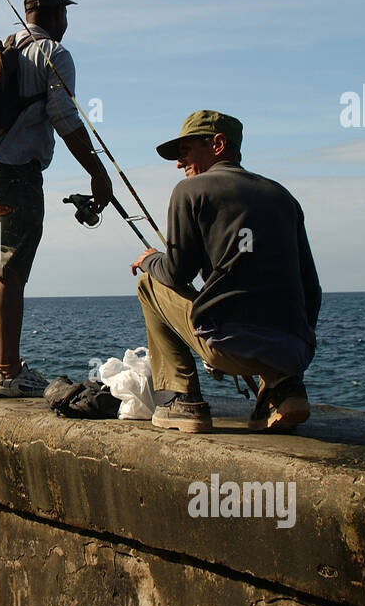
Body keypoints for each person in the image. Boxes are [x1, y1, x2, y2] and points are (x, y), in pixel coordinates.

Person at [0, 0, 114, 397]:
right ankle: (9, 374)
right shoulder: (54, 54)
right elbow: (65, 119)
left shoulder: (2, 49)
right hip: (11, 176)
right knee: (9, 274)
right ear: (54, 14)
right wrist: (98, 173)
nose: (67, 20)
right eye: (65, 13)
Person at [131, 110, 321, 433]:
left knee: (150, 284)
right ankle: (283, 388)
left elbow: (175, 273)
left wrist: (149, 258)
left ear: (217, 144)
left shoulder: (188, 192)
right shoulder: (284, 198)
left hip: (228, 345)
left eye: (185, 151)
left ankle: (182, 400)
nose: (179, 164)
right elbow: (312, 291)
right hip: (294, 350)